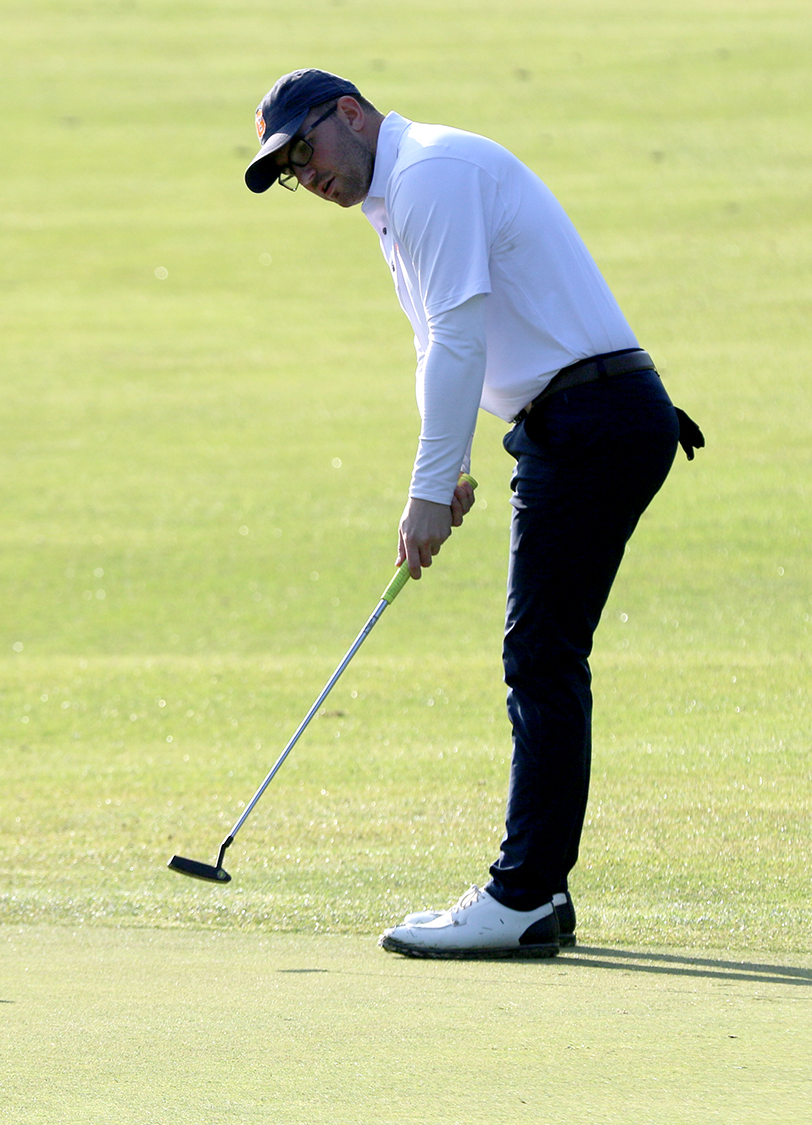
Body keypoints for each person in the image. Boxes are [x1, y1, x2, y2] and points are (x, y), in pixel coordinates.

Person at [244, 69, 702, 959]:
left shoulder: (433, 172)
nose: (307, 176)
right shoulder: (398, 198)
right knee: (544, 654)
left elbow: (458, 332)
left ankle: (525, 892)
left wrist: (423, 492)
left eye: (306, 151)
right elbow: (436, 346)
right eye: (290, 172)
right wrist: (447, 466)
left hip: (593, 417)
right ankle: (539, 893)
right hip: (576, 419)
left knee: (540, 656)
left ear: (350, 113)